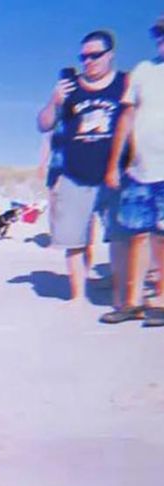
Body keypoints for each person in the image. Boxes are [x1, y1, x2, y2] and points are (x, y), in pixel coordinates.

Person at [37, 30, 128, 305]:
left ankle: (121, 295)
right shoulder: (71, 88)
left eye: (95, 55)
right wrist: (54, 102)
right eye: (84, 57)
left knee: (120, 236)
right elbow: (43, 124)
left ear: (110, 54)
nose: (88, 61)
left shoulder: (125, 83)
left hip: (116, 174)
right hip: (75, 174)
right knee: (74, 239)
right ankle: (77, 295)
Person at [104, 15, 164, 327]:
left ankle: (161, 301)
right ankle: (131, 302)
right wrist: (115, 164)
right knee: (138, 235)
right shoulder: (143, 70)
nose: (161, 39)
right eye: (159, 33)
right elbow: (125, 119)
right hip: (140, 169)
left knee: (162, 237)